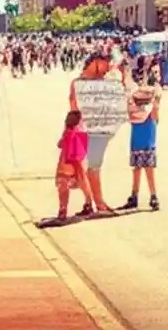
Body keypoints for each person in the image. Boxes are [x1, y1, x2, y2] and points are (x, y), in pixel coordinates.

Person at [68, 54, 119, 216]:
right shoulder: (81, 84)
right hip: (85, 129)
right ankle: (96, 202)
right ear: (95, 63)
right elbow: (75, 107)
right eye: (105, 66)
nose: (106, 70)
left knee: (90, 167)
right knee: (87, 168)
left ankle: (93, 202)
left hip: (93, 129)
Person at [119, 87, 160, 211]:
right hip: (147, 144)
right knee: (148, 170)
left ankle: (135, 195)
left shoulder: (134, 113)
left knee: (138, 169)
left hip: (137, 143)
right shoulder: (149, 113)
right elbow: (156, 117)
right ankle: (152, 196)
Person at [55, 109, 93, 221]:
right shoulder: (77, 132)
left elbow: (60, 144)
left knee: (64, 187)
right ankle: (88, 203)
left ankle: (63, 209)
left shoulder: (71, 133)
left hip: (69, 165)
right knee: (82, 183)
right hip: (72, 164)